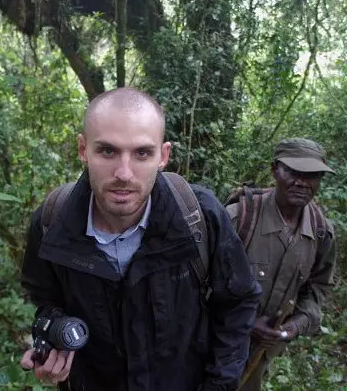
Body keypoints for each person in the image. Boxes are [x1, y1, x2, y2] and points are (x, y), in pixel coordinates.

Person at [20, 87, 261, 391]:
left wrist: (218, 385)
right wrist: (53, 336)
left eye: (142, 153)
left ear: (163, 156)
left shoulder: (200, 216)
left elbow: (238, 302)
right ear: (83, 150)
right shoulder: (51, 221)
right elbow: (44, 298)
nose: (124, 172)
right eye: (107, 151)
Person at [226, 138, 336, 391]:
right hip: (214, 344)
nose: (302, 182)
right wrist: (246, 321)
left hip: (258, 358)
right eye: (293, 172)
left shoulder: (321, 233)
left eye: (312, 175)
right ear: (275, 169)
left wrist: (295, 326)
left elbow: (317, 288)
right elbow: (199, 283)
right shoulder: (238, 218)